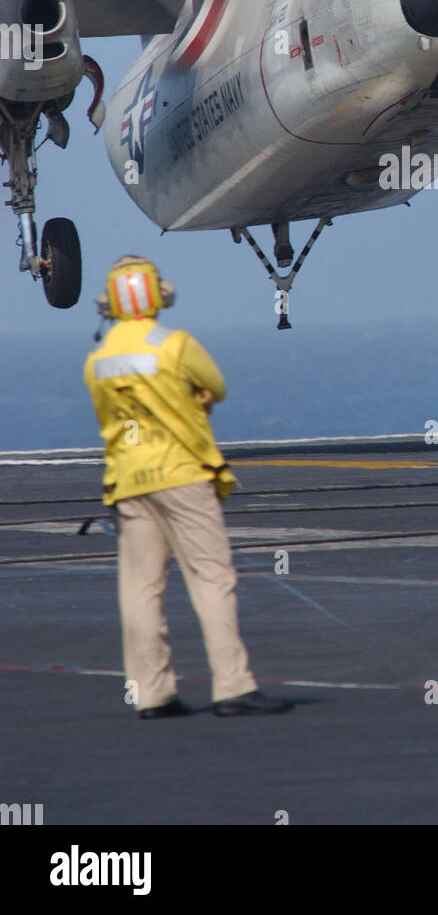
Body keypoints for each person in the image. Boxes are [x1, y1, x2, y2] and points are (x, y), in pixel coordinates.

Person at [83, 254, 291, 719]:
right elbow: (215, 386)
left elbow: (108, 417)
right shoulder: (173, 344)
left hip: (128, 481)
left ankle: (152, 694)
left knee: (140, 589)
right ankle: (233, 686)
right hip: (181, 475)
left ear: (109, 303)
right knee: (211, 578)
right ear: (160, 295)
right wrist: (192, 398)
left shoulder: (98, 361)